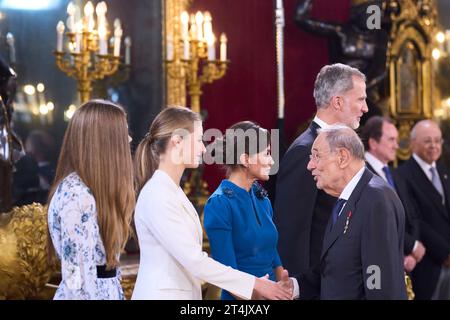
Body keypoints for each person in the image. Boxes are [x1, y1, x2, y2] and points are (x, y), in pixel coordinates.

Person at [131, 106, 292, 300]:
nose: (203, 148)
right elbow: (194, 260)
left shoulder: (173, 192)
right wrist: (256, 285)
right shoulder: (157, 194)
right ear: (177, 141)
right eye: (198, 140)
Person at [274, 63, 368, 288]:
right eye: (360, 99)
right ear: (337, 102)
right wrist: (300, 287)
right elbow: (293, 230)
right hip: (319, 286)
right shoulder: (304, 151)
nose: (365, 108)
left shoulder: (343, 148)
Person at [291, 125, 406, 299]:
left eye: (316, 156)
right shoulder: (346, 199)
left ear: (342, 158)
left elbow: (379, 284)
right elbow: (337, 270)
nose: (310, 165)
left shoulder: (376, 200)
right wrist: (294, 287)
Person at [47, 100, 135, 300]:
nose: (129, 139)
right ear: (106, 142)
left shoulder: (88, 192)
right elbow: (76, 281)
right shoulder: (77, 197)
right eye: (123, 134)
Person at [204, 121, 289, 300]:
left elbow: (272, 253)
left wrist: (284, 287)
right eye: (266, 153)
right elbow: (226, 274)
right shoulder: (219, 204)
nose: (272, 160)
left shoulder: (262, 198)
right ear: (245, 159)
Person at [361, 116, 425, 273]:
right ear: (373, 143)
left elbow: (412, 214)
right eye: (391, 140)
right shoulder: (362, 175)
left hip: (407, 264)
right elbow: (380, 221)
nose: (397, 146)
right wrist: (412, 246)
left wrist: (411, 252)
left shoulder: (396, 174)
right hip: (378, 265)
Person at [398, 120, 450, 300]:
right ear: (413, 143)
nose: (434, 146)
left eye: (438, 140)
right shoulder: (403, 175)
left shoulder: (444, 170)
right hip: (428, 265)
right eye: (428, 141)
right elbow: (416, 220)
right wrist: (445, 253)